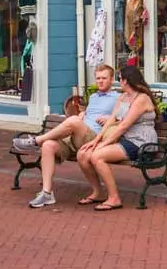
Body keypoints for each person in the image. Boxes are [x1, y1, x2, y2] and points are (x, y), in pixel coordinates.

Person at [29, 67, 118, 208]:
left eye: (104, 78)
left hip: (94, 139)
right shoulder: (93, 97)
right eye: (98, 78)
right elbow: (88, 114)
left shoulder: (118, 98)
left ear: (112, 79)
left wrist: (112, 118)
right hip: (77, 137)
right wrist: (84, 115)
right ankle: (46, 193)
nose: (100, 81)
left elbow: (127, 118)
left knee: (73, 121)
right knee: (48, 146)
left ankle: (37, 140)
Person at [76, 64, 157, 212]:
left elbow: (123, 125)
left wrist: (103, 144)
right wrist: (95, 141)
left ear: (126, 80)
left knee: (97, 157)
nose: (119, 82)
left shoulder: (141, 98)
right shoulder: (123, 97)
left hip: (140, 142)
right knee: (83, 154)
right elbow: (111, 121)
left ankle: (114, 198)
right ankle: (98, 192)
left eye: (120, 79)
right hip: (125, 139)